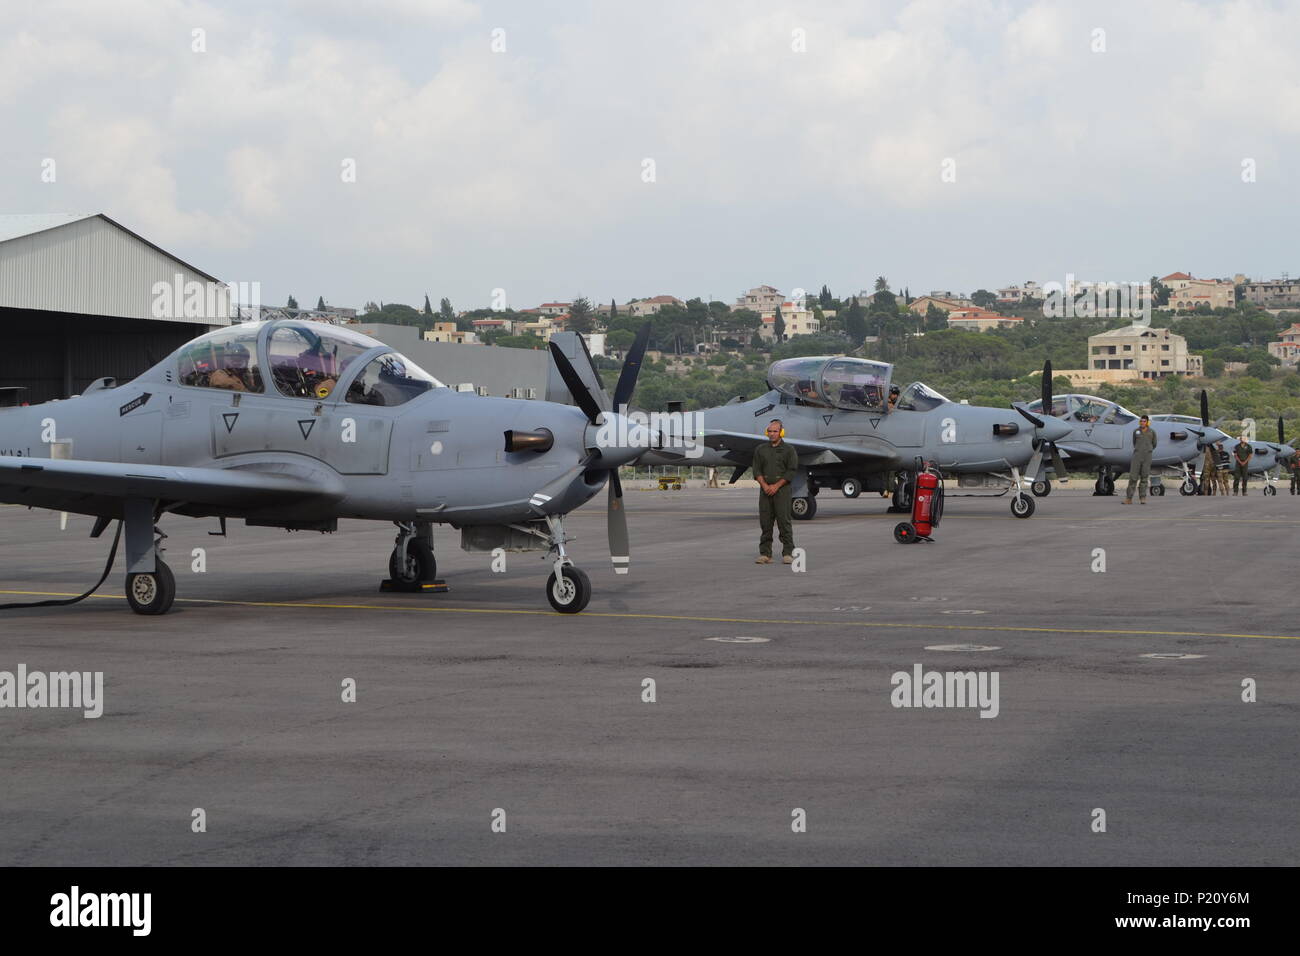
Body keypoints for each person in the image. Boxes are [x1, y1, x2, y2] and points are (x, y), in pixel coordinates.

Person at [753, 419, 798, 564]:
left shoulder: (789, 450)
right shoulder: (760, 449)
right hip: (765, 491)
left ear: (781, 432)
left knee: (784, 522)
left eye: (775, 431)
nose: (772, 434)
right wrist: (765, 485)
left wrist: (776, 486)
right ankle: (765, 554)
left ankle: (788, 553)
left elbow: (791, 471)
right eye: (770, 431)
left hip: (782, 492)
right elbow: (756, 470)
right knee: (765, 523)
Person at [1123, 414, 1158, 504]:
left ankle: (1142, 498)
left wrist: (1148, 450)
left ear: (1147, 422)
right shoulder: (1136, 431)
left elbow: (1154, 444)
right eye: (1141, 421)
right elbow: (1134, 442)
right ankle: (1129, 498)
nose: (1142, 423)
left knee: (1144, 477)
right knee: (1133, 477)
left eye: (1144, 421)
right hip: (1137, 456)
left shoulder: (1152, 432)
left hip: (1147, 457)